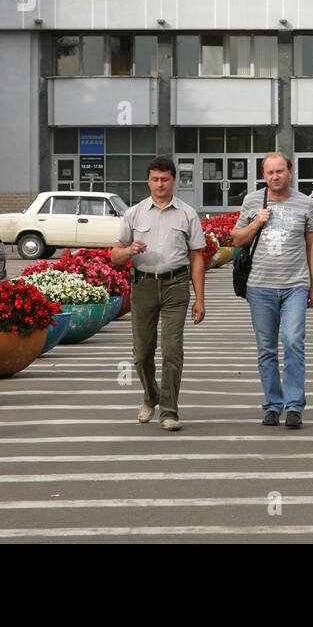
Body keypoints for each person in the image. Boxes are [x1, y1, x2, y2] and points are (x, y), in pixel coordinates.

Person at [111, 156, 207, 432]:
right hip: (143, 286)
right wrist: (129, 251)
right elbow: (115, 254)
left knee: (172, 350)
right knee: (142, 353)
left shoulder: (187, 213)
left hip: (176, 285)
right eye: (155, 179)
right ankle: (150, 395)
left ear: (174, 180)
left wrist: (200, 298)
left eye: (165, 179)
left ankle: (168, 410)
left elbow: (197, 257)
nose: (160, 184)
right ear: (148, 181)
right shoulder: (135, 213)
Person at [232, 153, 313, 429]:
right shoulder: (252, 201)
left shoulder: (306, 203)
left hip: (295, 285)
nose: (275, 176)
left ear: (290, 172)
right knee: (266, 349)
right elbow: (237, 239)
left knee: (294, 341)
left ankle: (294, 406)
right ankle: (273, 404)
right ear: (264, 174)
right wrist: (256, 222)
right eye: (269, 172)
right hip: (260, 286)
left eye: (279, 171)